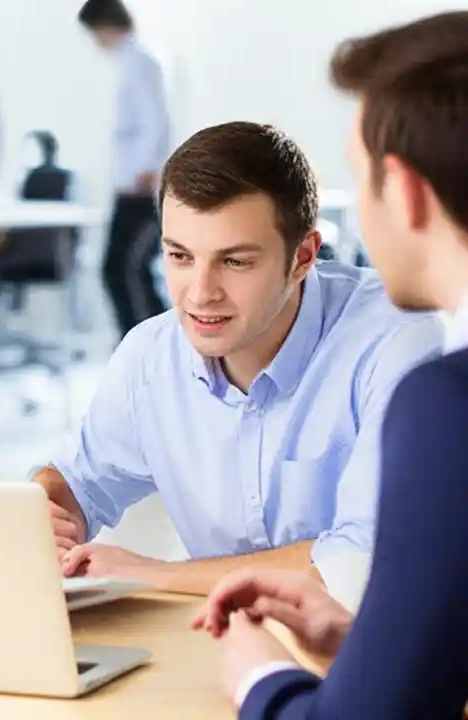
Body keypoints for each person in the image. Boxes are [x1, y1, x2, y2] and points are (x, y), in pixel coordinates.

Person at [32, 121, 444, 595]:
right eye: (180, 257)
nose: (201, 294)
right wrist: (46, 511)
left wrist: (148, 574)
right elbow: (77, 481)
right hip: (227, 644)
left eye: (235, 262)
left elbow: (364, 562)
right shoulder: (150, 356)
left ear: (303, 256)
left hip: (368, 649)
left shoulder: (398, 344)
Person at [193, 12, 468, 718]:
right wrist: (372, 646)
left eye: (359, 178)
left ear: (402, 191)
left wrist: (262, 677)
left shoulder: (446, 400)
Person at [77, 0, 172, 338]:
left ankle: (148, 346)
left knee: (120, 269)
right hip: (131, 183)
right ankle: (155, 346)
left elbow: (156, 121)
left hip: (140, 186)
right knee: (133, 269)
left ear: (104, 24)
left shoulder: (142, 62)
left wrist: (146, 170)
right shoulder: (131, 61)